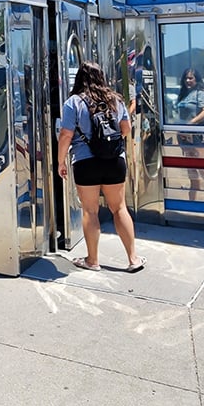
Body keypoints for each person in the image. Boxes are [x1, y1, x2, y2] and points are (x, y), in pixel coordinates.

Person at [57, 61, 145, 273]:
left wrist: (60, 161)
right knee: (120, 208)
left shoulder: (73, 102)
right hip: (114, 161)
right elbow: (126, 129)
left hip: (86, 162)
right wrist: (108, 144)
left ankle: (92, 261)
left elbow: (66, 135)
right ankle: (133, 259)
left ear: (79, 78)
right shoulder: (116, 100)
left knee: (90, 210)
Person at [175, 68, 204, 201]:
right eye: (186, 78)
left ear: (197, 79)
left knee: (203, 168)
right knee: (191, 171)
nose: (188, 81)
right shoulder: (185, 94)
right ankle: (192, 202)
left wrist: (190, 123)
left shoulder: (202, 94)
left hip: (198, 136)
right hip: (185, 137)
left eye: (191, 78)